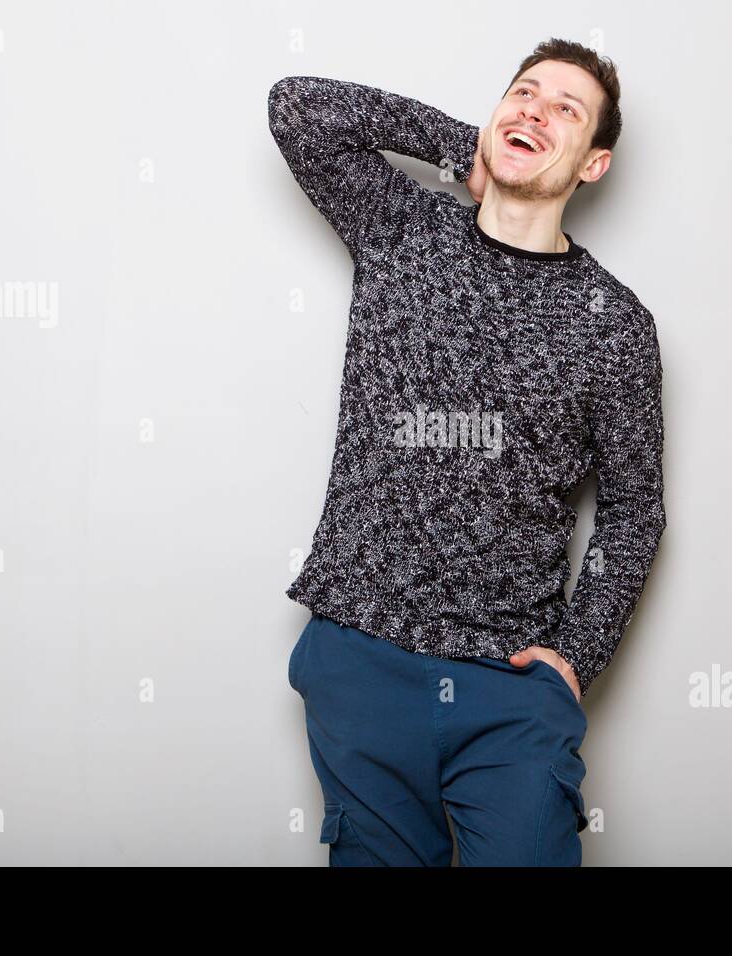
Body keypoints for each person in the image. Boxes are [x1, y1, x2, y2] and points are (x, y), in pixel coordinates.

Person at [269, 36, 665, 866]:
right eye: (524, 93)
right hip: (362, 656)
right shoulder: (400, 228)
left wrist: (575, 658)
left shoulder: (615, 325)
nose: (536, 111)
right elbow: (298, 106)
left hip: (510, 686)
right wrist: (466, 148)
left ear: (594, 164)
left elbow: (635, 510)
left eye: (567, 110)